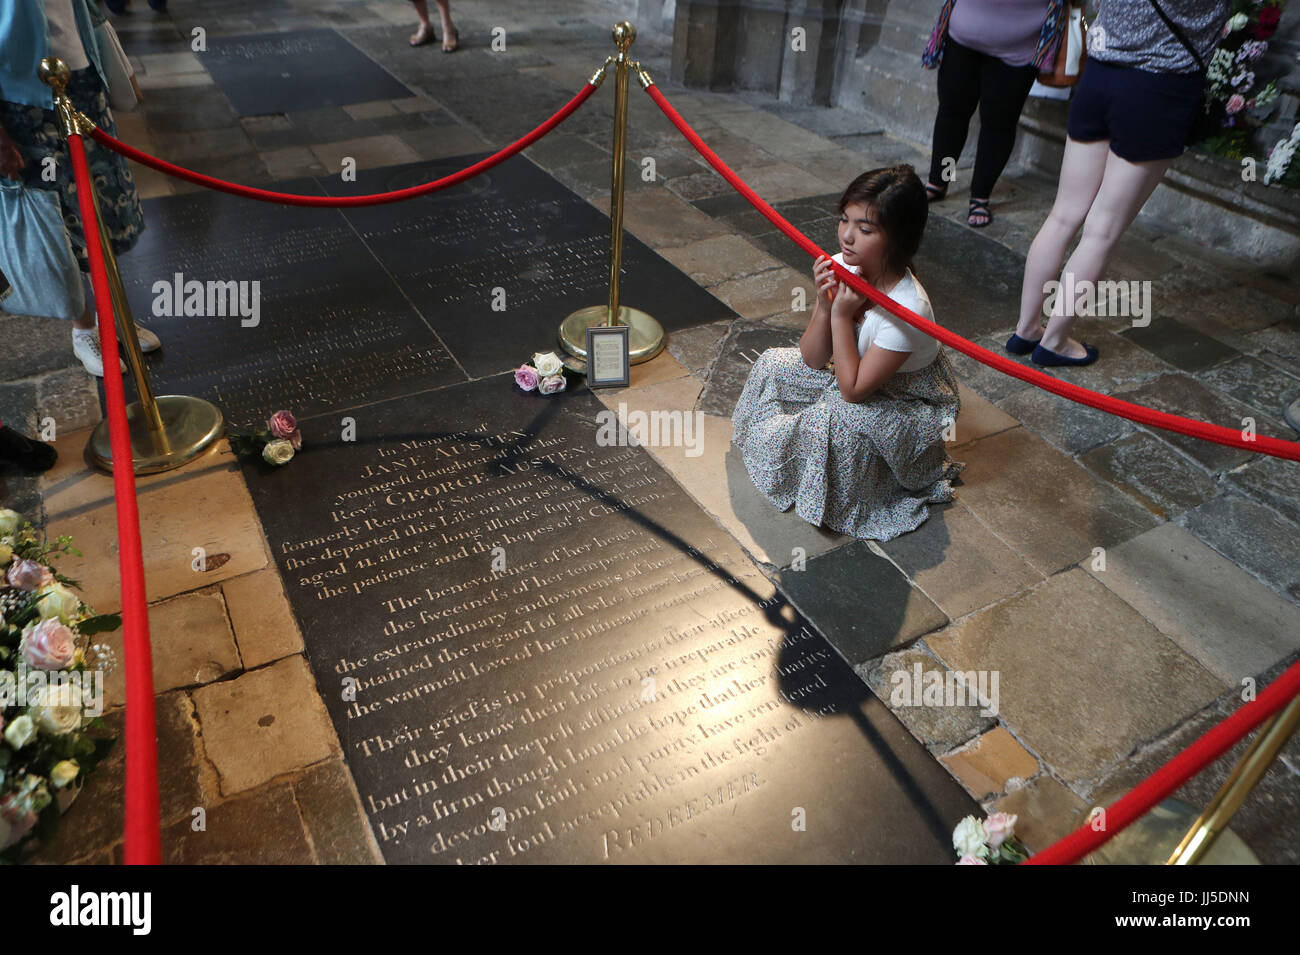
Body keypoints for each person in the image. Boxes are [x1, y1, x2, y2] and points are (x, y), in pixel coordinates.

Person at [730, 166, 964, 542]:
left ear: (898, 238)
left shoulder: (908, 307)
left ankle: (872, 480)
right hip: (850, 371)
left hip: (905, 398)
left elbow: (854, 392)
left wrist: (840, 315)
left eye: (865, 229)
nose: (847, 236)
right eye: (844, 220)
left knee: (837, 418)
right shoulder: (844, 263)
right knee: (773, 363)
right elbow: (810, 358)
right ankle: (792, 452)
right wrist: (825, 307)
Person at [1007, 0, 1232, 366]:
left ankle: (1027, 329)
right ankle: (1055, 341)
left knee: (1062, 216)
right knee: (1102, 230)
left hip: (1099, 77)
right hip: (1159, 89)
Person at [0, 0, 157, 377]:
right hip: (23, 99)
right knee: (60, 215)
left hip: (82, 77)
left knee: (104, 204)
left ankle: (112, 312)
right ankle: (84, 328)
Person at [923, 0, 1076, 228]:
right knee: (953, 114)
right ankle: (941, 180)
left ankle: (980, 196)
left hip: (1020, 49)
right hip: (962, 38)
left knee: (998, 125)